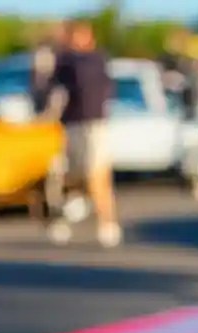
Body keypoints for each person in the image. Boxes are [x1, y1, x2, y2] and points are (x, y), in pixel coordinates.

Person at [45, 20, 121, 248]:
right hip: (71, 125)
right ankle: (67, 214)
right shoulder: (63, 61)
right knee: (68, 174)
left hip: (95, 124)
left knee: (98, 174)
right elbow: (53, 91)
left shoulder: (97, 60)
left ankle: (107, 223)